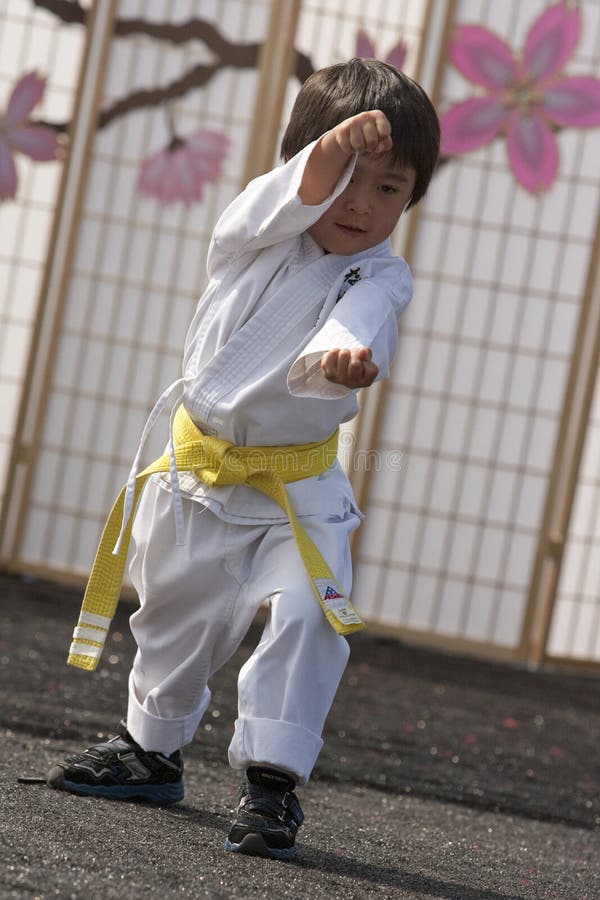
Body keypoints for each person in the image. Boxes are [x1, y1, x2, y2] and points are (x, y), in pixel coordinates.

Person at [47, 58, 440, 860]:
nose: (362, 204)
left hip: (296, 492)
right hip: (199, 474)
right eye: (346, 177)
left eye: (391, 189)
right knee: (172, 619)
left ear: (412, 198)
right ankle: (151, 748)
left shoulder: (379, 273)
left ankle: (272, 783)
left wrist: (343, 356)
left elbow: (360, 314)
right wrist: (332, 149)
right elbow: (288, 196)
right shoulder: (249, 234)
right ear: (302, 164)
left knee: (308, 615)